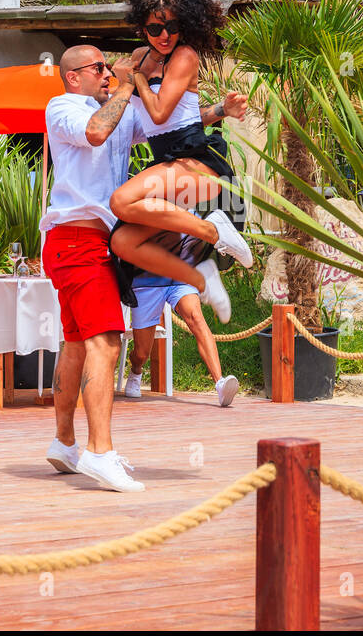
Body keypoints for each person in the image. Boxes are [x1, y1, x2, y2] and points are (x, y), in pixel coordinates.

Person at [41, 45, 241, 492]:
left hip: (92, 242)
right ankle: (100, 453)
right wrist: (129, 82)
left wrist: (216, 111)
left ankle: (64, 443)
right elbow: (95, 132)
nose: (108, 72)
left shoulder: (118, 108)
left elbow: (164, 123)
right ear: (73, 76)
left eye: (109, 67)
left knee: (75, 344)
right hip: (78, 238)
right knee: (106, 344)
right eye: (99, 68)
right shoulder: (65, 106)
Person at [108, 0, 254, 286]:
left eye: (172, 26)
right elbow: (175, 120)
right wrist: (219, 111)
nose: (164, 35)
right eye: (155, 28)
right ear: (141, 26)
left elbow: (158, 111)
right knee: (122, 242)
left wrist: (135, 80)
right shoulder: (139, 57)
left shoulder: (184, 56)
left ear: (184, 23)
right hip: (166, 163)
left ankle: (213, 229)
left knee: (120, 201)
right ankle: (200, 281)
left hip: (195, 163)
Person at [124, 248, 239, 407]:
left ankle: (220, 383)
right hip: (146, 280)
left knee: (196, 318)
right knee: (142, 353)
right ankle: (136, 371)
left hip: (178, 274)